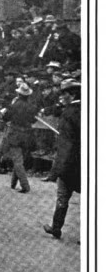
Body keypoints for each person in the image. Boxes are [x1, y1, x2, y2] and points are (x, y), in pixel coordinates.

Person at [43, 79, 81, 240]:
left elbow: (67, 144)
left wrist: (58, 168)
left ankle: (56, 228)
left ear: (71, 94)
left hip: (71, 162)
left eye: (64, 94)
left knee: (63, 196)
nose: (62, 97)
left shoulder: (69, 113)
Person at [0, 82, 37, 193]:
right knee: (20, 159)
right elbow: (33, 120)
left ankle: (25, 186)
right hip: (27, 135)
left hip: (15, 134)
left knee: (17, 161)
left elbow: (6, 118)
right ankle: (13, 183)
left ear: (19, 94)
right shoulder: (31, 107)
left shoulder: (14, 105)